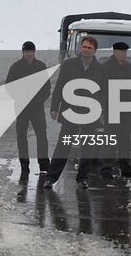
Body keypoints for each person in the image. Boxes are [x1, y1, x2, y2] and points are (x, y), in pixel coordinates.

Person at [43, 36, 109, 189]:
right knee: (63, 145)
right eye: (84, 47)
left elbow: (105, 93)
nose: (86, 50)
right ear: (80, 48)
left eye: (89, 48)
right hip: (70, 112)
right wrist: (54, 107)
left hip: (90, 114)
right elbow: (60, 86)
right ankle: (51, 178)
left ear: (95, 51)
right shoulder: (69, 65)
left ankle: (82, 178)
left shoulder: (101, 69)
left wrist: (103, 110)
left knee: (87, 147)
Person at [6, 41, 51, 179]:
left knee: (42, 136)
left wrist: (39, 101)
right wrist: (20, 98)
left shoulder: (40, 66)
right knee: (21, 136)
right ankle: (24, 165)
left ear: (34, 52)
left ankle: (44, 164)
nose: (29, 54)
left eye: (31, 51)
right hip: (21, 107)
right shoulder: (16, 67)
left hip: (37, 108)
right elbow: (9, 86)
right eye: (27, 52)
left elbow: (47, 88)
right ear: (23, 52)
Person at [102, 41, 131, 179]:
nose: (124, 54)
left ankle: (125, 169)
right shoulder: (106, 67)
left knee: (125, 142)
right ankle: (106, 168)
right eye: (121, 52)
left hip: (127, 109)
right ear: (115, 52)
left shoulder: (129, 67)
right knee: (111, 141)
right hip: (112, 109)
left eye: (125, 52)